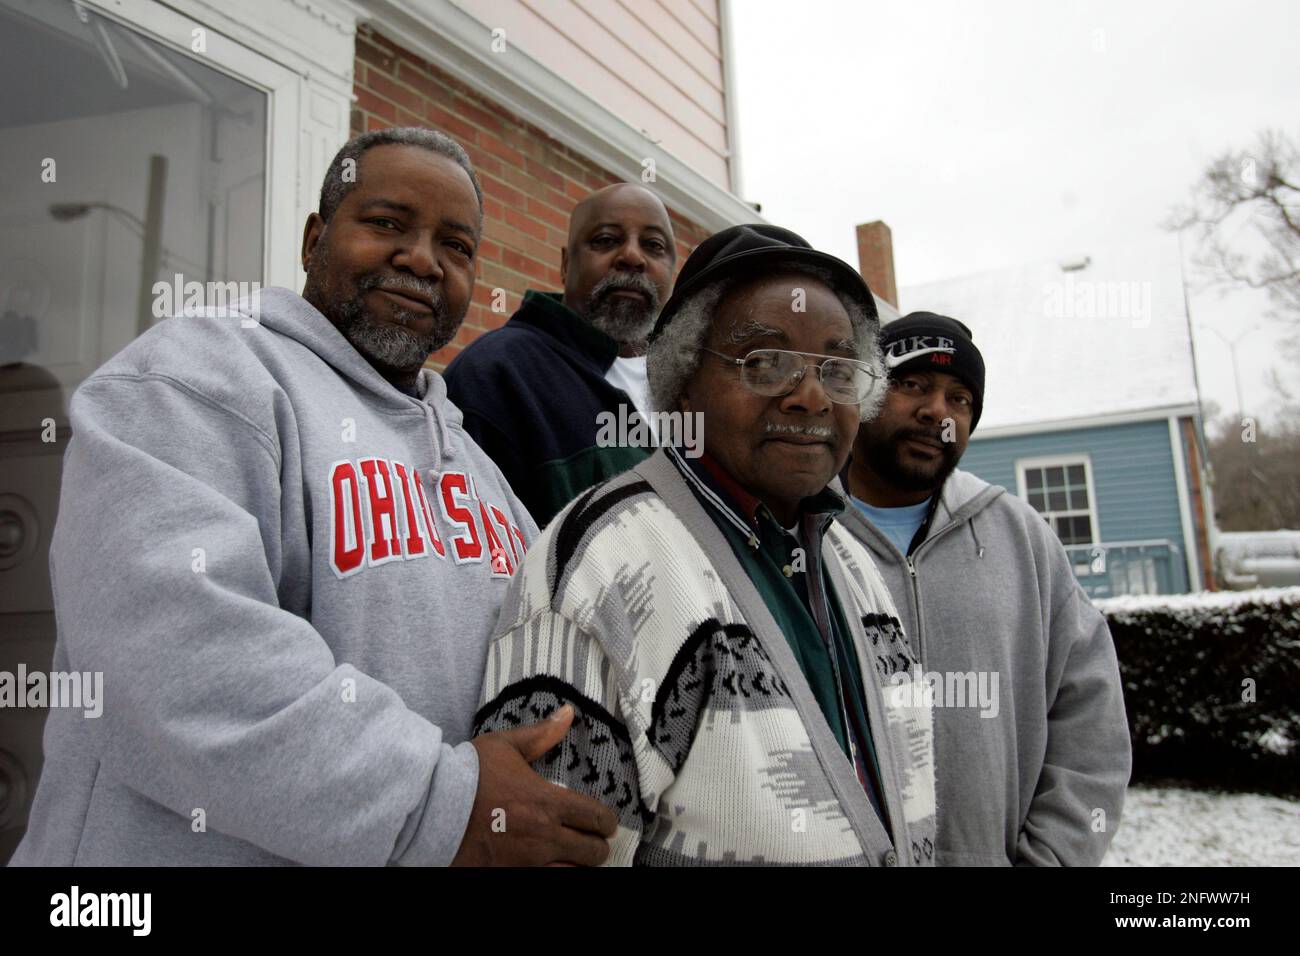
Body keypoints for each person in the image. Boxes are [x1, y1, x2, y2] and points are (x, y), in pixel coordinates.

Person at [10, 127, 617, 867]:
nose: (422, 259)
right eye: (388, 223)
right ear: (313, 238)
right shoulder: (196, 377)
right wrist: (440, 803)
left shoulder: (479, 470)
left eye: (455, 246)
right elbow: (176, 660)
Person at [472, 225, 937, 866]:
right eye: (765, 361)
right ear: (684, 380)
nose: (808, 397)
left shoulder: (855, 562)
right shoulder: (603, 562)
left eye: (837, 369)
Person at [837, 311, 1131, 866]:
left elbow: (1091, 722)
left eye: (960, 399)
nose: (936, 413)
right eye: (913, 385)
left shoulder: (1022, 537)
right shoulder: (802, 530)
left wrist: (1053, 857)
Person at [444, 182, 677, 527]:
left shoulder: (692, 389)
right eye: (606, 240)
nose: (632, 256)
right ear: (567, 265)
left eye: (653, 245)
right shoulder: (496, 373)